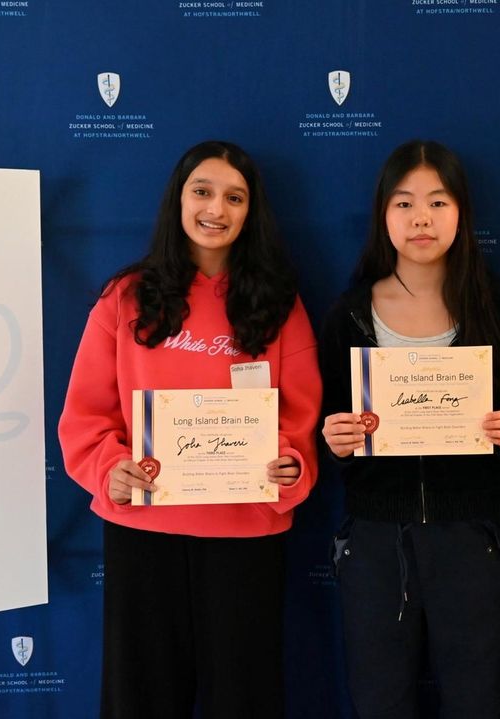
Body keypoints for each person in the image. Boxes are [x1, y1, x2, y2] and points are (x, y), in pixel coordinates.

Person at [58, 140, 321, 719]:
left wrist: (289, 464)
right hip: (144, 533)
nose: (216, 209)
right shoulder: (125, 298)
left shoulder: (279, 304)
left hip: (245, 534)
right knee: (140, 699)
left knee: (245, 700)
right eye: (202, 191)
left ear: (251, 212)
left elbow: (300, 420)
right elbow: (86, 415)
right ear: (178, 199)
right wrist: (109, 469)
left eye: (235, 197)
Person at [318, 140, 500, 718]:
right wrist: (334, 440)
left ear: (461, 212)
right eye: (404, 203)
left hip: (472, 536)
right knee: (379, 701)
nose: (421, 219)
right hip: (373, 542)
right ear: (383, 215)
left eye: (438, 202)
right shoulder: (348, 315)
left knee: (477, 701)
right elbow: (326, 424)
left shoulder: (498, 309)